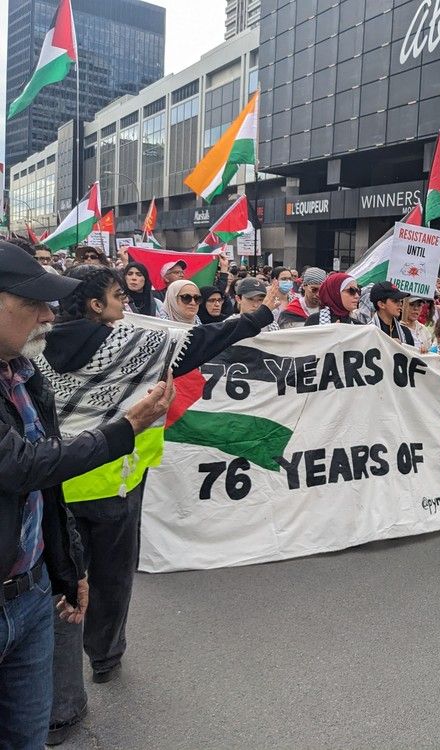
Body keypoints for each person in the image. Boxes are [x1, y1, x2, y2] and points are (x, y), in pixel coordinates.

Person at [38, 265, 280, 743]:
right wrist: (259, 315)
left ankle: (62, 704)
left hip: (51, 485)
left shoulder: (33, 345)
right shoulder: (126, 344)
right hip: (112, 481)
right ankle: (105, 657)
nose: (125, 304)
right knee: (110, 575)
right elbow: (200, 344)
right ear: (94, 304)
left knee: (61, 588)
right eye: (115, 296)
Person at [0, 243, 174, 749]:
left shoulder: (26, 379)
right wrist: (126, 428)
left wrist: (66, 567)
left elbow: (44, 492)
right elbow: (21, 466)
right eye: (33, 302)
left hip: (31, 594)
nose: (48, 315)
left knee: (26, 737)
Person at [369, 281, 414, 345]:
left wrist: (422, 352)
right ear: (381, 304)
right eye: (395, 300)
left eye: (400, 300)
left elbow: (412, 354)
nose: (400, 304)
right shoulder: (367, 331)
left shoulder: (405, 332)